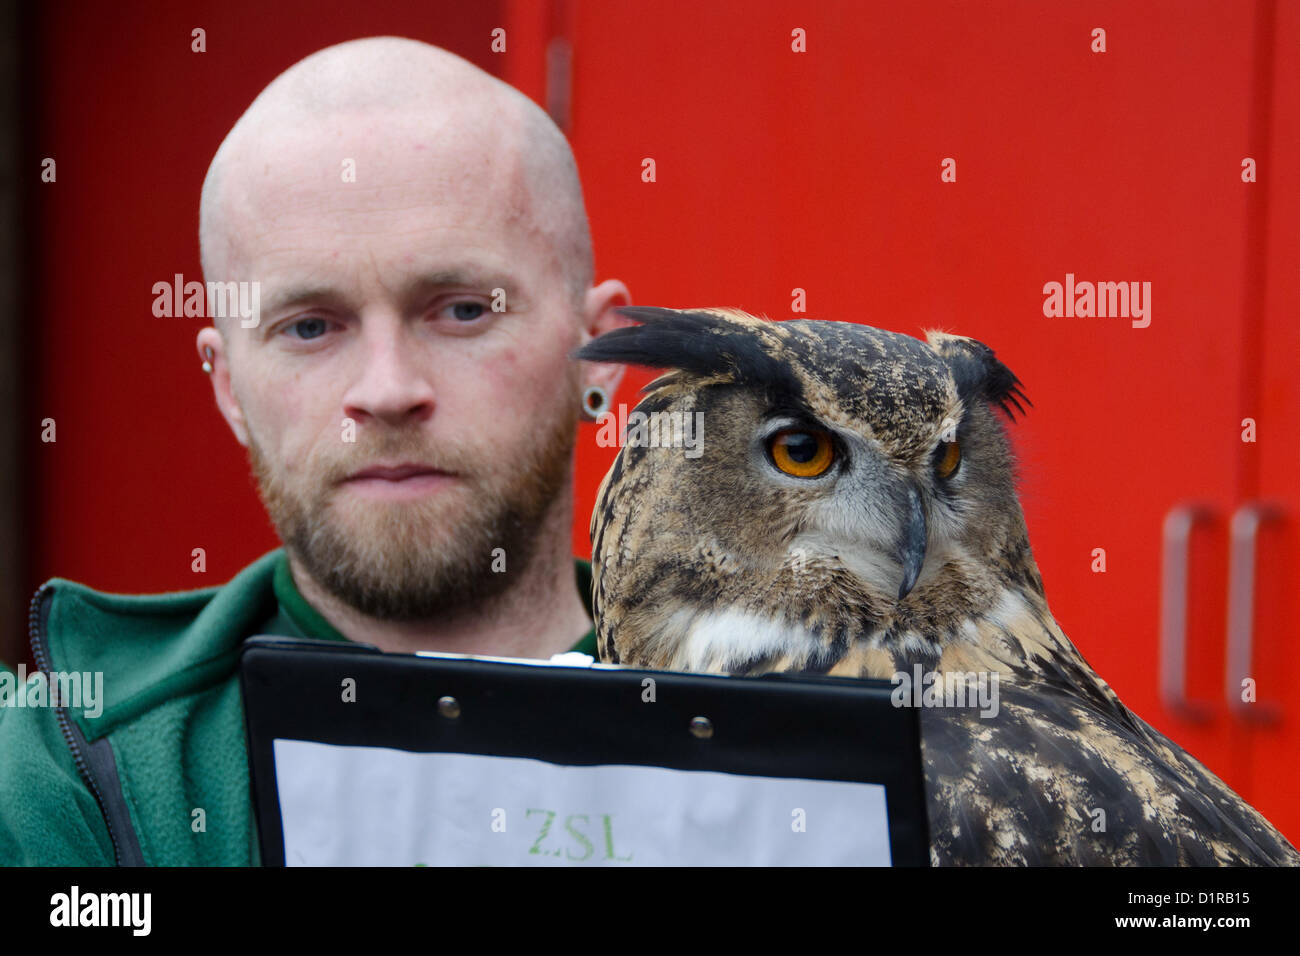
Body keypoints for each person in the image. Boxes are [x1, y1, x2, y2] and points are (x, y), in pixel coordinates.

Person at [0, 36, 629, 865]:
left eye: (463, 310)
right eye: (309, 327)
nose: (387, 388)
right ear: (229, 388)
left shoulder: (805, 739)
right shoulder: (62, 779)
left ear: (598, 356)